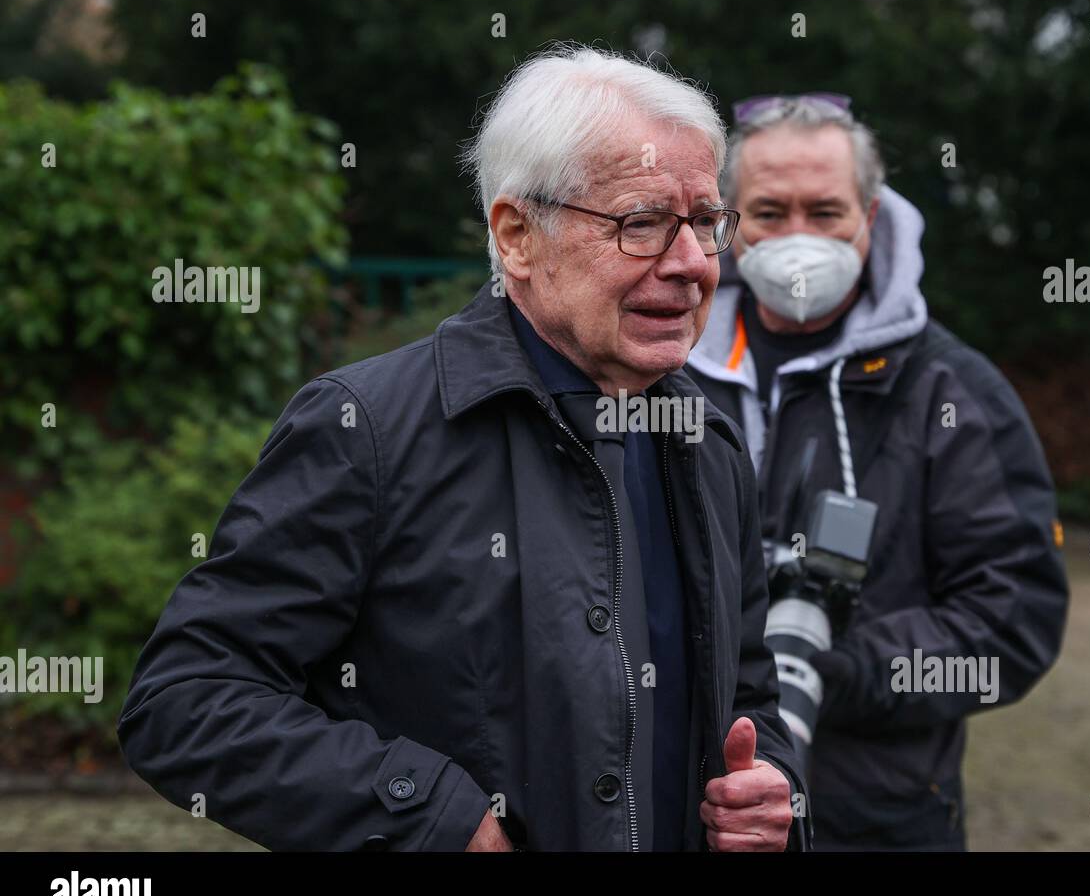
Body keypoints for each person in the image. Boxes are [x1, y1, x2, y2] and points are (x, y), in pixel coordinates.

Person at [117, 46, 810, 852]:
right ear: (516, 236)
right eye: (643, 224)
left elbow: (748, 694)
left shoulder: (709, 439)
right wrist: (434, 819)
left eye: (705, 222)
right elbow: (184, 702)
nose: (692, 264)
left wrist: (776, 788)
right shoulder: (366, 429)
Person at [685, 93, 1069, 850]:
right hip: (688, 803)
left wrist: (837, 670)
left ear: (870, 214)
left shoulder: (949, 391)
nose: (798, 237)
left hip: (874, 816)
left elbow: (1015, 617)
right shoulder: (665, 372)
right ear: (727, 222)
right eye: (769, 211)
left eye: (825, 212)